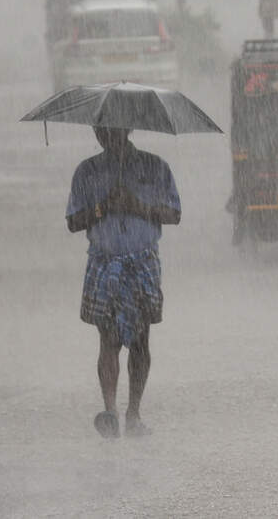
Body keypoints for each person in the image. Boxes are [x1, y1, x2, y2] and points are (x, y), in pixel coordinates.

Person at [66, 126, 181, 438]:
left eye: (113, 129)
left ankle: (133, 412)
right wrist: (103, 207)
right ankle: (110, 410)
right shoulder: (87, 172)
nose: (107, 135)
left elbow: (174, 213)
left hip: (142, 263)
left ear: (128, 128)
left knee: (141, 341)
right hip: (104, 263)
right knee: (109, 339)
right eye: (101, 129)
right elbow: (73, 222)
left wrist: (136, 206)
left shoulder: (155, 167)